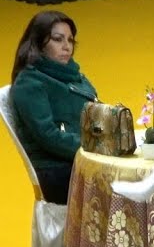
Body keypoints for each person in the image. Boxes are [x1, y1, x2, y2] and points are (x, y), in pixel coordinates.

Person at [9, 10, 96, 204]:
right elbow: (47, 135)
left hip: (82, 159)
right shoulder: (30, 83)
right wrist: (93, 147)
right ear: (39, 43)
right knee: (131, 185)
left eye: (70, 40)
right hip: (57, 170)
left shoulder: (73, 75)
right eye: (58, 39)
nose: (67, 47)